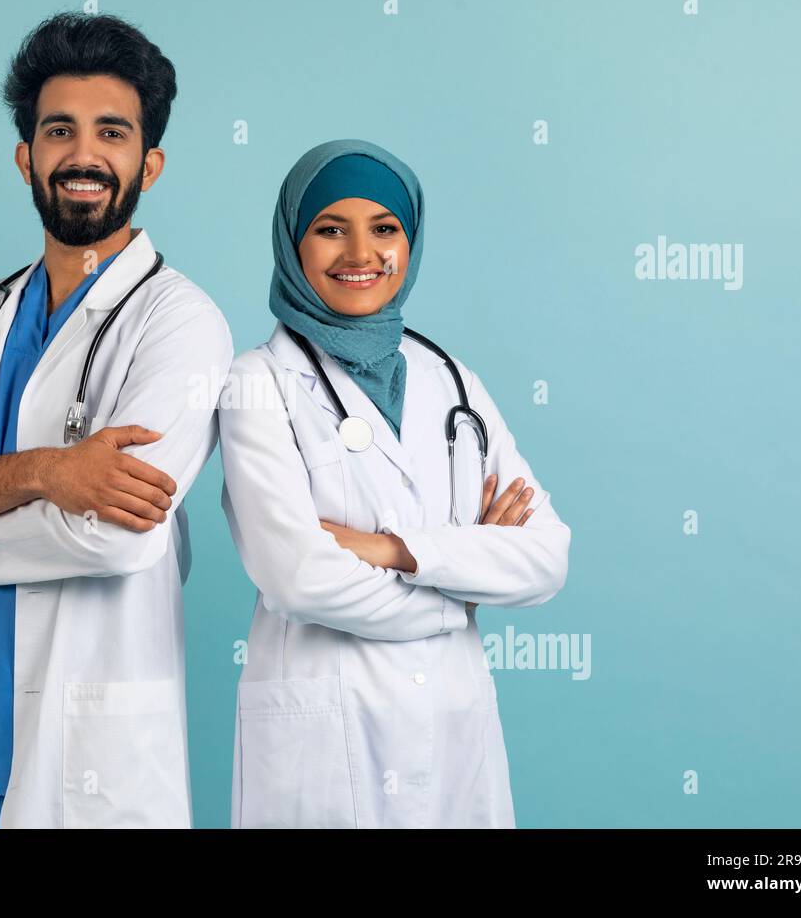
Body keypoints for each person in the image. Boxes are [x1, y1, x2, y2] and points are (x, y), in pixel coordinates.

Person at [0, 13, 232, 828]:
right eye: (58, 130)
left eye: (112, 131)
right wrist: (45, 474)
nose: (84, 154)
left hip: (84, 757)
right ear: (26, 157)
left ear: (150, 163)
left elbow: (116, 535)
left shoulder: (182, 323)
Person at [218, 139, 570, 828]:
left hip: (452, 725)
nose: (360, 252)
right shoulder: (255, 383)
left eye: (385, 228)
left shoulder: (452, 378)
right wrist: (460, 594)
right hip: (323, 745)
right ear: (293, 243)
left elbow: (547, 558)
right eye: (329, 228)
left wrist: (399, 551)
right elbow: (298, 578)